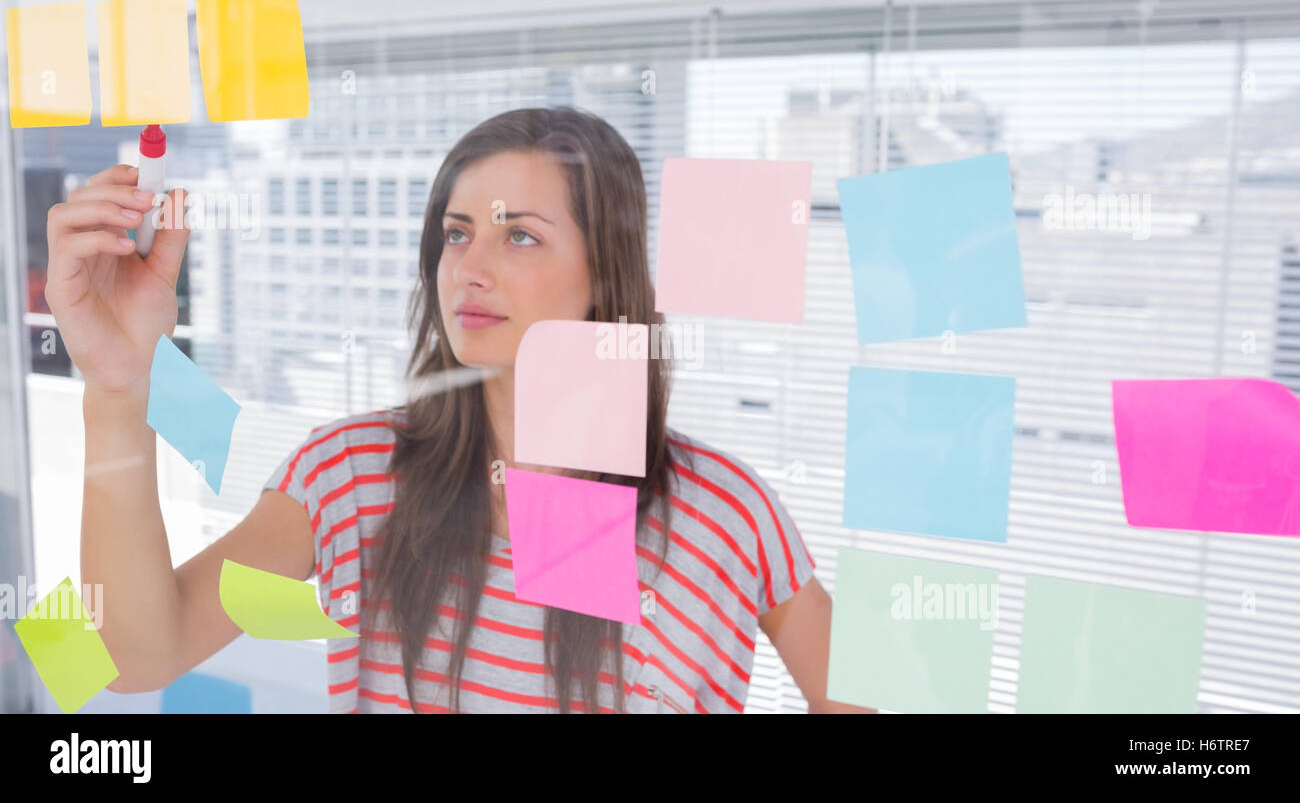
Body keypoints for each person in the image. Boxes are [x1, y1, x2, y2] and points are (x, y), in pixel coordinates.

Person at [46, 106, 873, 713]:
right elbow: (134, 656)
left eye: (519, 237)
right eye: (456, 231)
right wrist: (118, 390)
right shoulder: (352, 475)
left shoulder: (723, 510)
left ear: (608, 275)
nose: (468, 268)